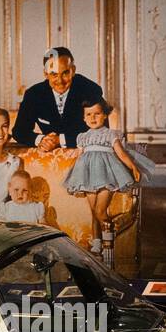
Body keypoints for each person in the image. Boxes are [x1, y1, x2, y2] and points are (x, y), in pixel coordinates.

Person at [62, 97, 156, 256]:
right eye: (89, 115)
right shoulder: (83, 137)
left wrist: (132, 166)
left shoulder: (110, 134)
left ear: (105, 115)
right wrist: (73, 152)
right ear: (84, 118)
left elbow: (121, 153)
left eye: (97, 114)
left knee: (100, 210)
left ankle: (108, 238)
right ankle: (97, 242)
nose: (93, 118)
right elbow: (80, 152)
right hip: (88, 176)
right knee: (93, 210)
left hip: (106, 176)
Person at [12, 47, 103, 153]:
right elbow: (19, 131)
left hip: (85, 154)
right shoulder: (34, 95)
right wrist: (41, 140)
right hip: (51, 158)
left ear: (73, 70)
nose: (60, 81)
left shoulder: (91, 90)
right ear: (46, 74)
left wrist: (60, 140)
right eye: (54, 74)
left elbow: (100, 133)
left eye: (65, 73)